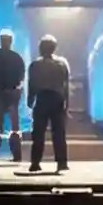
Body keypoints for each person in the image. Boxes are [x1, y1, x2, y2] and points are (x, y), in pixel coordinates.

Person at [27, 34, 70, 172]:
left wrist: (30, 98)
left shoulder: (35, 65)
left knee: (38, 133)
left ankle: (35, 162)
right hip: (57, 99)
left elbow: (32, 83)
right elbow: (66, 85)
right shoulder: (61, 63)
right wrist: (66, 102)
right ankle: (61, 162)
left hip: (42, 98)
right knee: (59, 133)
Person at [0, 28, 26, 163]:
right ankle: (16, 155)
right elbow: (21, 78)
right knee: (14, 126)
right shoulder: (17, 57)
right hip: (12, 93)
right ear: (11, 41)